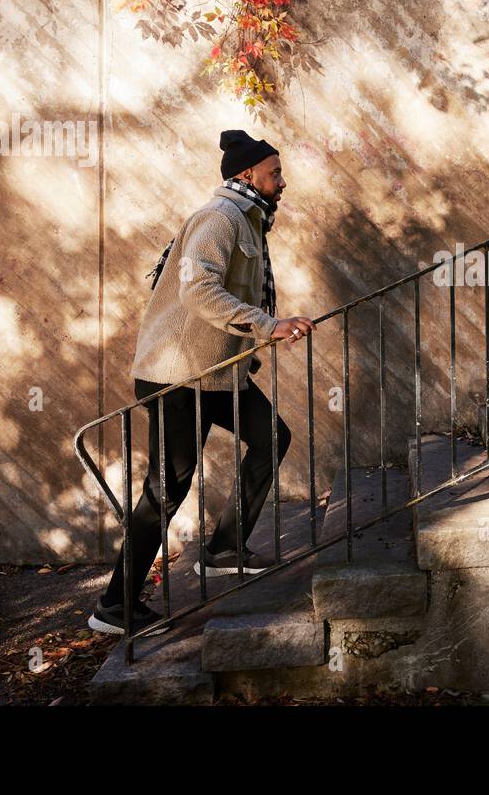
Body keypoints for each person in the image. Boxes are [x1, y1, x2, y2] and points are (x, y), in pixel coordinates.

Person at [89, 130, 315, 636]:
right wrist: (265, 324)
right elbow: (198, 290)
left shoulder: (251, 222)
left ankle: (223, 548)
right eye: (275, 172)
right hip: (178, 376)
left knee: (272, 437)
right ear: (246, 175)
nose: (283, 181)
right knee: (167, 489)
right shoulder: (220, 218)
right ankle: (114, 605)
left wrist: (268, 325)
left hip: (217, 375)